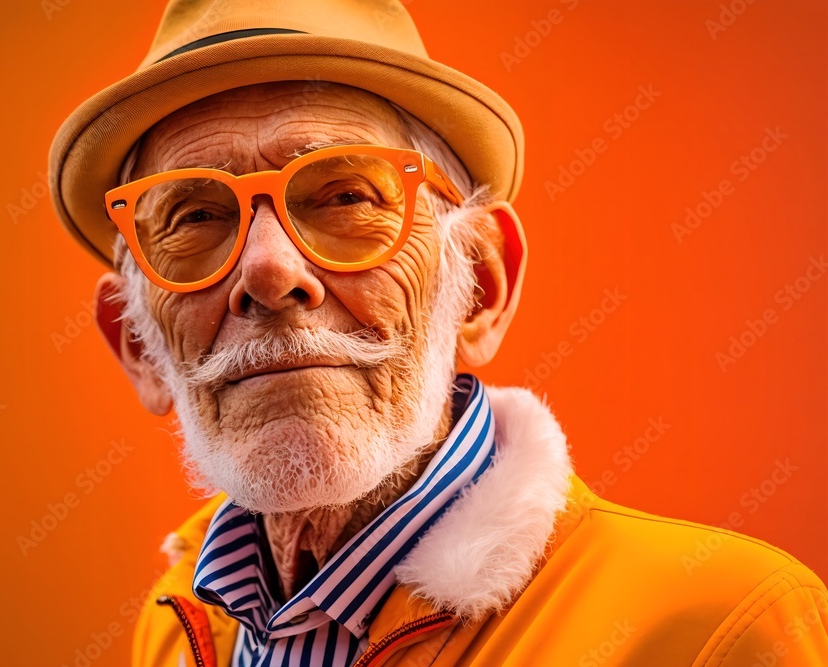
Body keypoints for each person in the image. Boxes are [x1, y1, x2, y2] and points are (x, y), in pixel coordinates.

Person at [48, 1, 828, 665]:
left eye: (347, 196)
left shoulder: (718, 629)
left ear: (482, 287)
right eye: (195, 217)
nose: (269, 271)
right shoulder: (178, 627)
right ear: (139, 346)